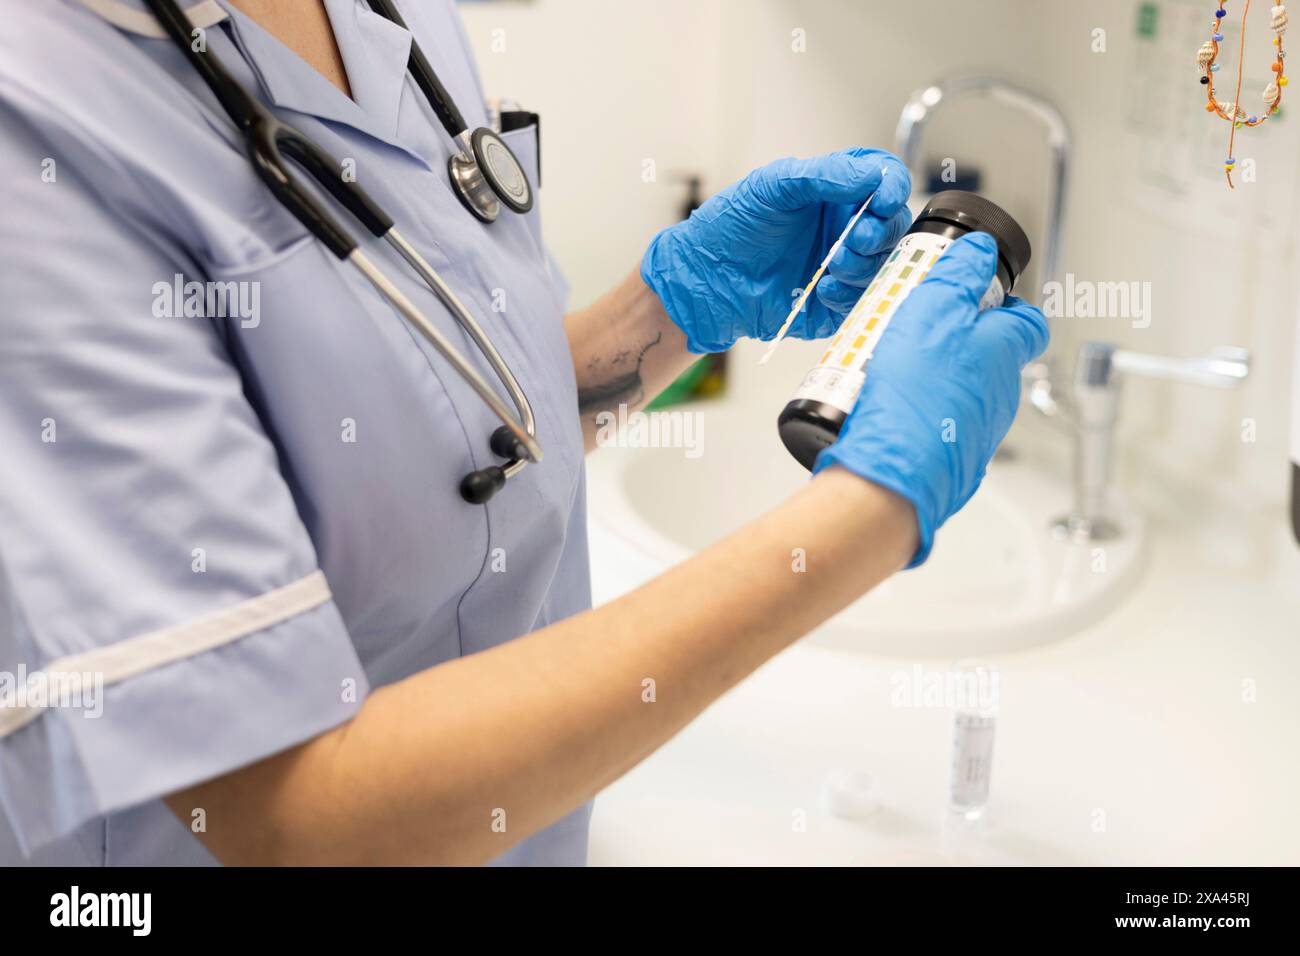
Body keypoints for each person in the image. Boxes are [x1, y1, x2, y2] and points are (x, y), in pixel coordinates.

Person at [0, 0, 1047, 865]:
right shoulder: (38, 131)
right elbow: (294, 813)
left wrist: (666, 313)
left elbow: (453, 440)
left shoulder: (394, 18)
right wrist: (872, 507)